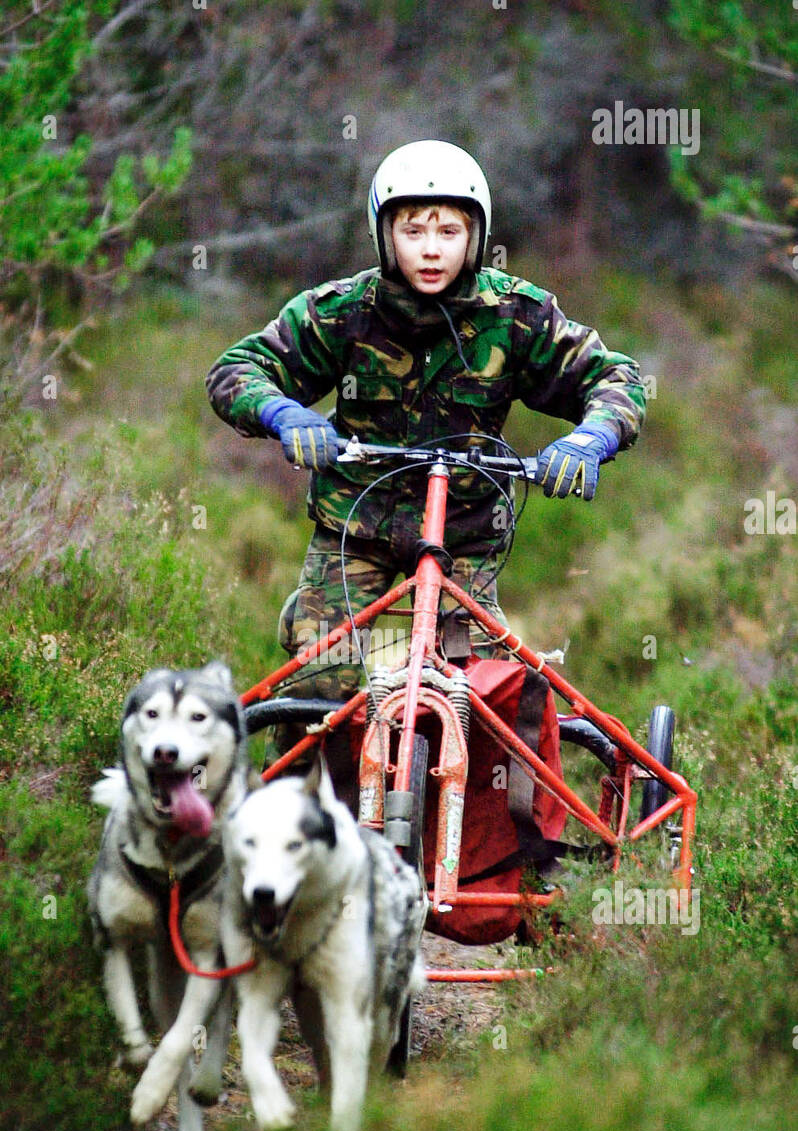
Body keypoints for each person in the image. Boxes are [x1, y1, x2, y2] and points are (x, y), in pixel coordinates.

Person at [205, 140, 646, 769]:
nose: (431, 248)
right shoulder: (343, 312)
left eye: (449, 230)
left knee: (487, 695)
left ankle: (489, 852)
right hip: (356, 528)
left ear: (476, 235)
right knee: (317, 681)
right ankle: (292, 823)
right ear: (386, 235)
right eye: (413, 230)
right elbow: (237, 369)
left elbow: (616, 380)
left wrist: (589, 438)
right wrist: (284, 412)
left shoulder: (516, 315)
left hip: (466, 535)